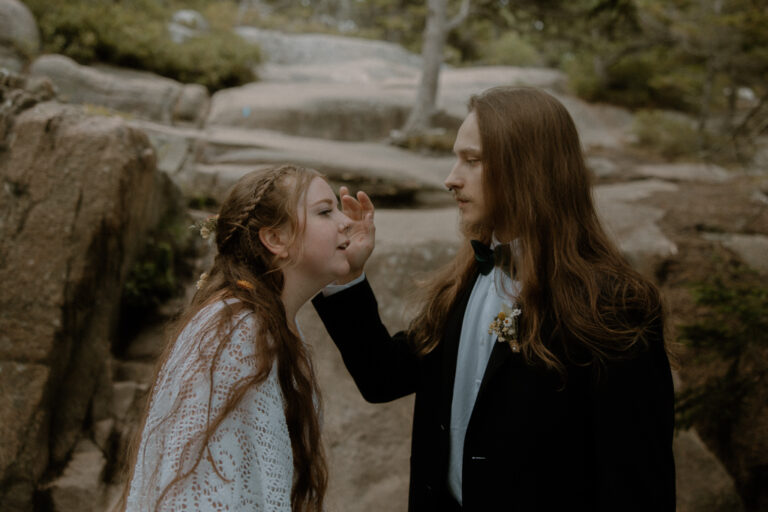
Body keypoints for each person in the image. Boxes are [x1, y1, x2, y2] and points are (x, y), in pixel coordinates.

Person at [312, 87, 676, 511]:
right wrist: (348, 277)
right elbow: (383, 379)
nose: (451, 178)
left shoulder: (613, 304)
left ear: (529, 168)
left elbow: (637, 481)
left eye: (473, 160)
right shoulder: (467, 280)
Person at [118, 164, 353, 512]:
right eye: (325, 211)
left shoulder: (270, 323)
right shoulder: (234, 332)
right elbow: (197, 494)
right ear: (275, 239)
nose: (346, 221)